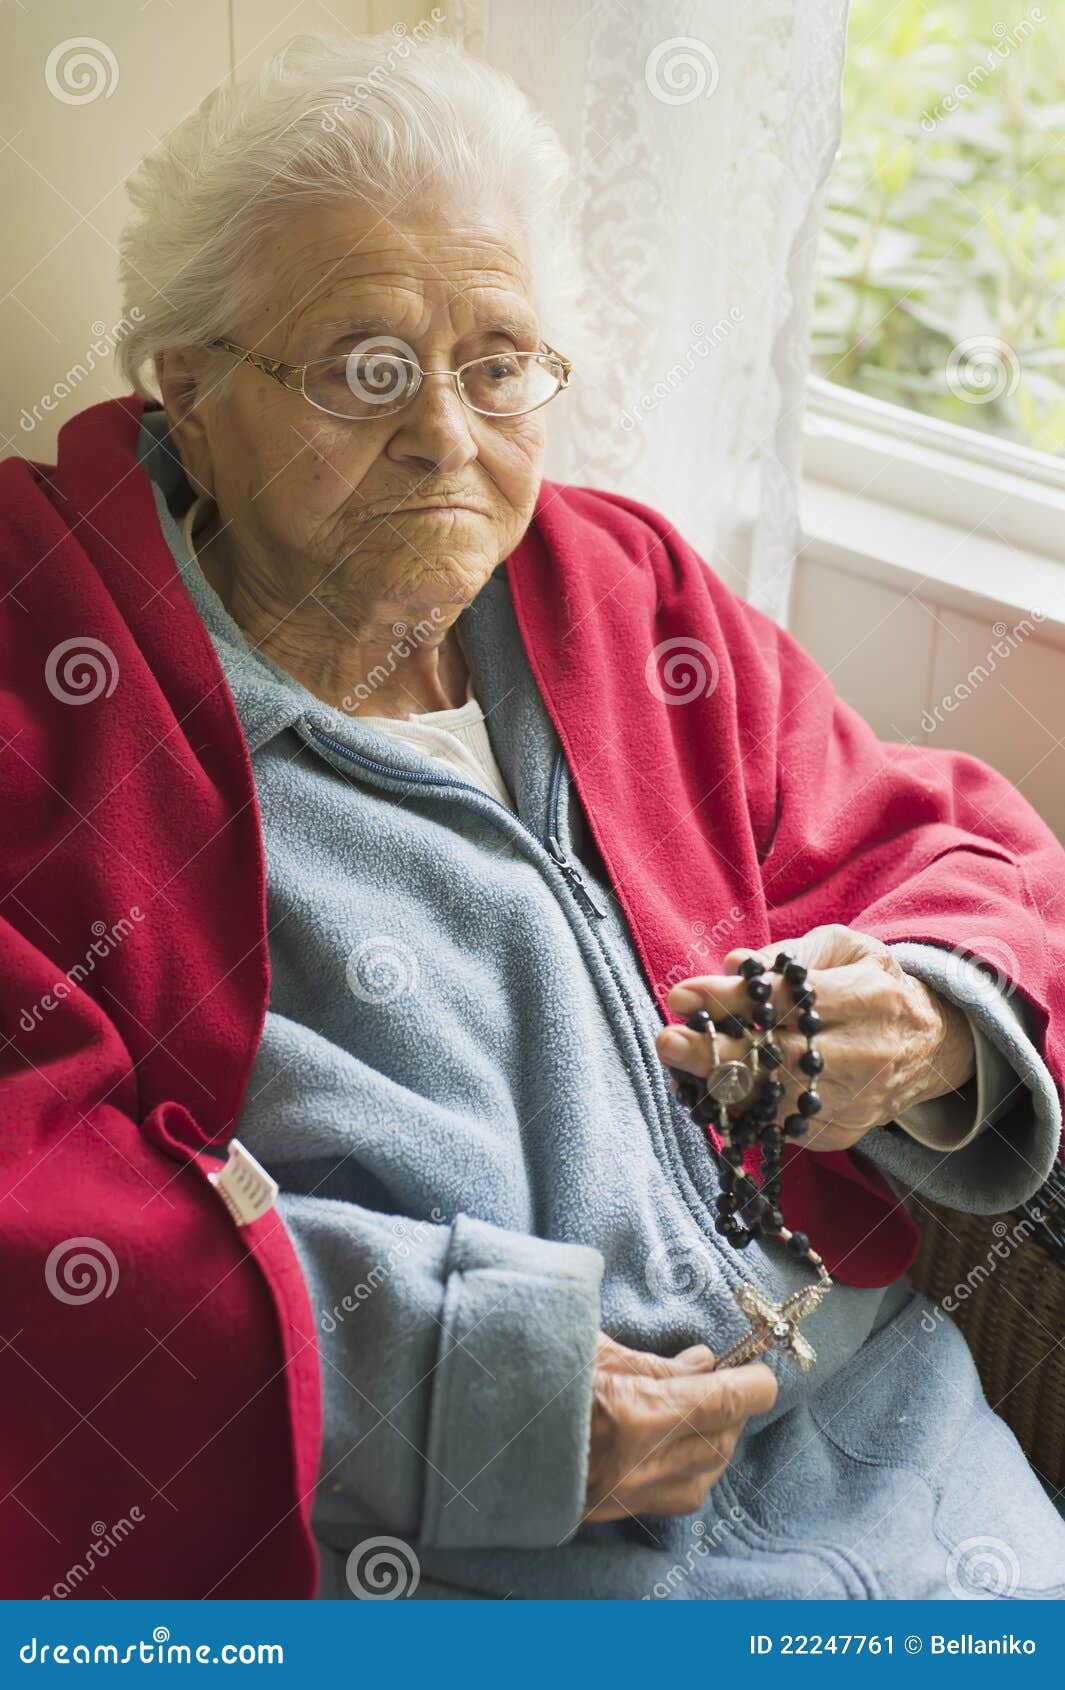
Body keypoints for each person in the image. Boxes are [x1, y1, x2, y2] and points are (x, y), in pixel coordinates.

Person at [3, 33, 1064, 1601]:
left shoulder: (624, 596)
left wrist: (920, 1017)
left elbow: (949, 847)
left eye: (497, 364)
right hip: (454, 1547)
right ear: (191, 387)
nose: (444, 432)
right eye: (364, 366)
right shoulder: (49, 672)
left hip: (888, 1459)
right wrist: (455, 1390)